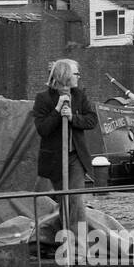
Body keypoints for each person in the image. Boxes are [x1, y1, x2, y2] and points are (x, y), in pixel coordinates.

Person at [32, 58, 98, 236]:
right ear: (65, 76)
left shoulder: (79, 95)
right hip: (54, 159)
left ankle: (79, 240)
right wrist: (57, 110)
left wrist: (72, 118)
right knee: (64, 199)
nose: (79, 77)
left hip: (75, 157)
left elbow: (92, 120)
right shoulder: (43, 98)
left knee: (74, 199)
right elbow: (43, 129)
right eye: (76, 74)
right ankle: (63, 237)